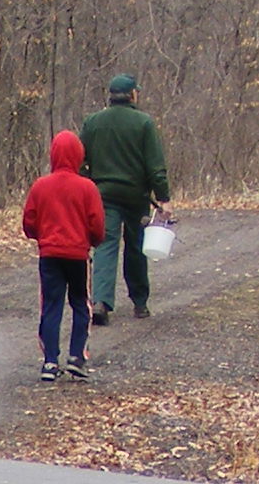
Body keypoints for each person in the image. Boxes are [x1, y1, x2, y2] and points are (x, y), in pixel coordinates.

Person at [78, 73, 171, 320]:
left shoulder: (93, 122)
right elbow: (155, 166)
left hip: (103, 196)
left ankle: (101, 302)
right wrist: (164, 198)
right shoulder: (144, 123)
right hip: (136, 197)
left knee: (105, 246)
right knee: (136, 247)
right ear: (132, 95)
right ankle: (139, 303)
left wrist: (88, 184)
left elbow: (79, 160)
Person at [21, 130, 105, 383]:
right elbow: (97, 225)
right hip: (78, 255)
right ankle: (77, 357)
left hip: (50, 255)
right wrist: (91, 242)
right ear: (79, 155)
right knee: (81, 304)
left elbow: (29, 223)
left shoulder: (40, 186)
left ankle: (49, 362)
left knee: (51, 306)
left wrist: (43, 238)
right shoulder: (87, 188)